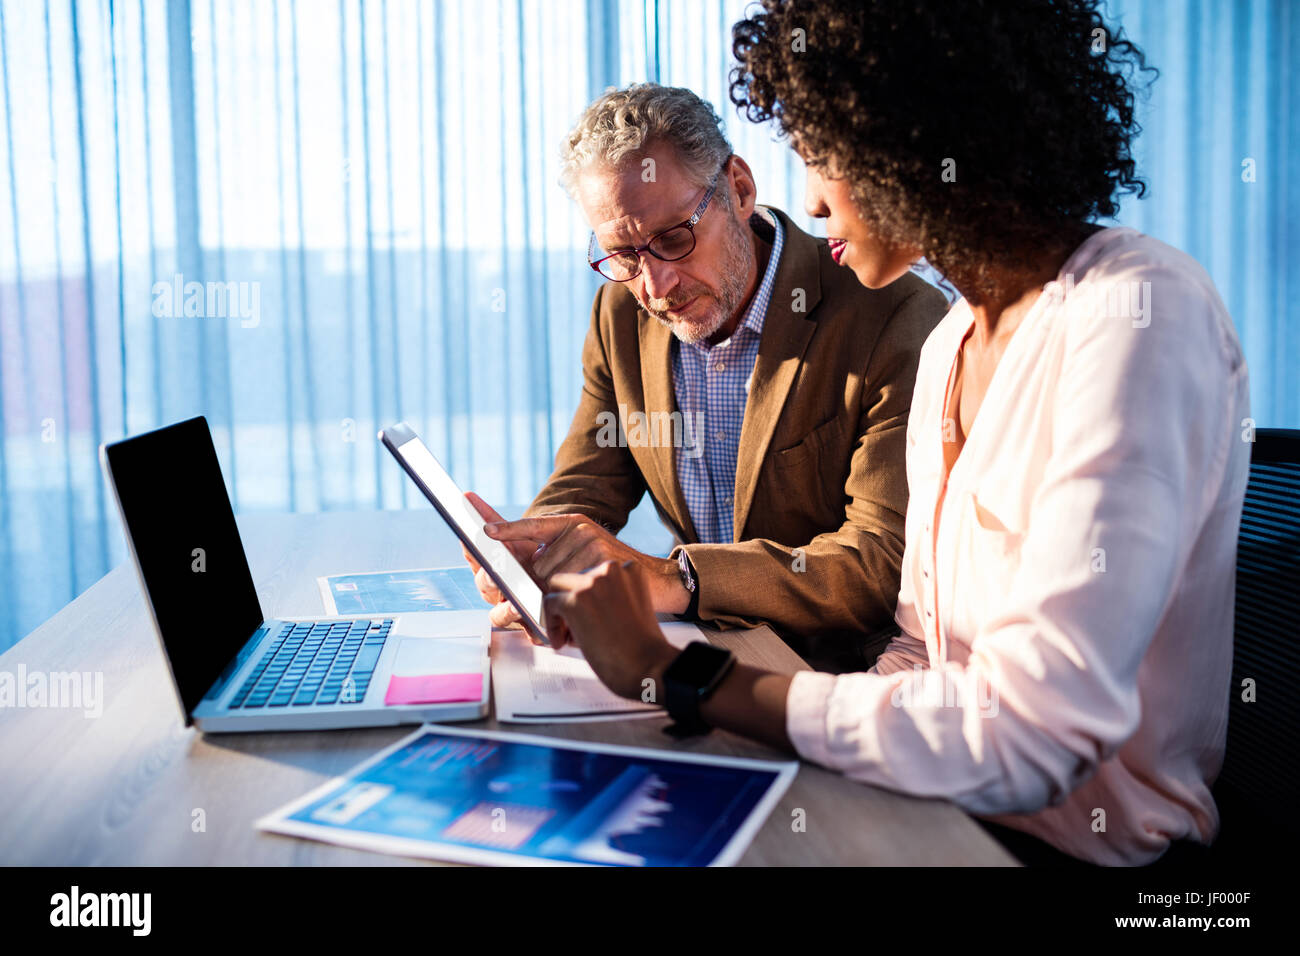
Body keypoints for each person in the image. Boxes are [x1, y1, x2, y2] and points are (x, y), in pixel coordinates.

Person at [505, 0, 1252, 866]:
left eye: (822, 155)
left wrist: (688, 678)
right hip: (928, 806)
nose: (811, 199)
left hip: (1081, 851)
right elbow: (919, 655)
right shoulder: (954, 342)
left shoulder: (1136, 313)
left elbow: (1035, 734)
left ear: (916, 139)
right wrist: (794, 752)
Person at [465, 83, 946, 670]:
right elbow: (589, 481)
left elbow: (882, 558)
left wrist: (677, 580)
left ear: (738, 189)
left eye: (674, 239)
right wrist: (536, 554)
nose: (655, 287)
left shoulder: (893, 311)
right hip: (693, 653)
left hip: (838, 673)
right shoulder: (619, 313)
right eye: (624, 256)